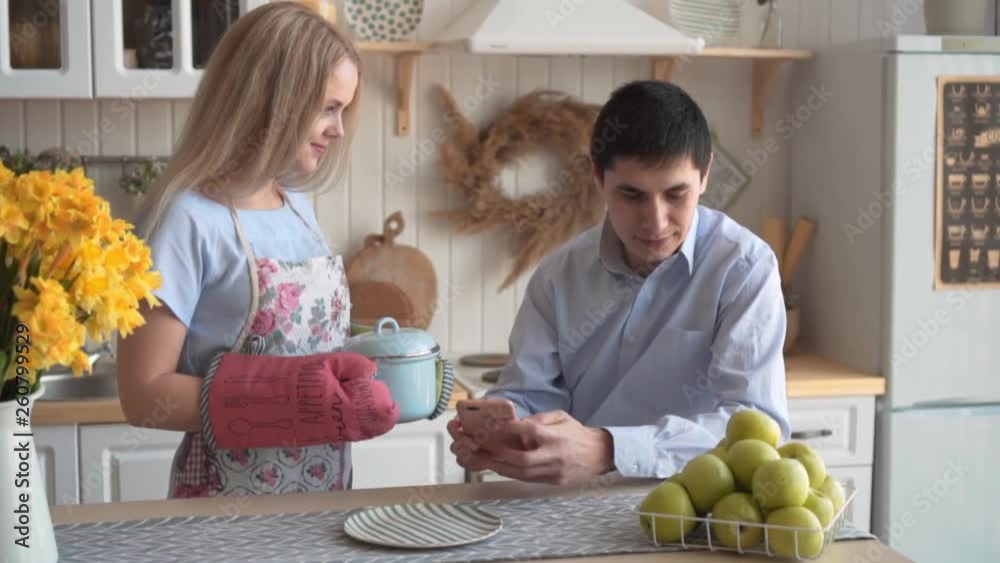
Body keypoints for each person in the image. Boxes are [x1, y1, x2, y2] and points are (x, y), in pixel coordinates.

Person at [117, 2, 399, 498]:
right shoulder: (184, 220)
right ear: (271, 99)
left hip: (324, 496)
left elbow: (305, 348)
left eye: (343, 110)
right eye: (328, 108)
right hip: (226, 506)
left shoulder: (298, 207)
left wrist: (388, 364)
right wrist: (294, 400)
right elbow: (143, 395)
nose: (338, 128)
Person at [448, 80, 790, 485]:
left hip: (699, 504)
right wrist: (498, 429)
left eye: (676, 194)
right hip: (575, 503)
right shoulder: (558, 275)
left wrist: (609, 449)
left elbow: (756, 424)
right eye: (632, 195)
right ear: (598, 177)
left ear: (704, 175)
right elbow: (531, 394)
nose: (656, 222)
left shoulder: (744, 269)